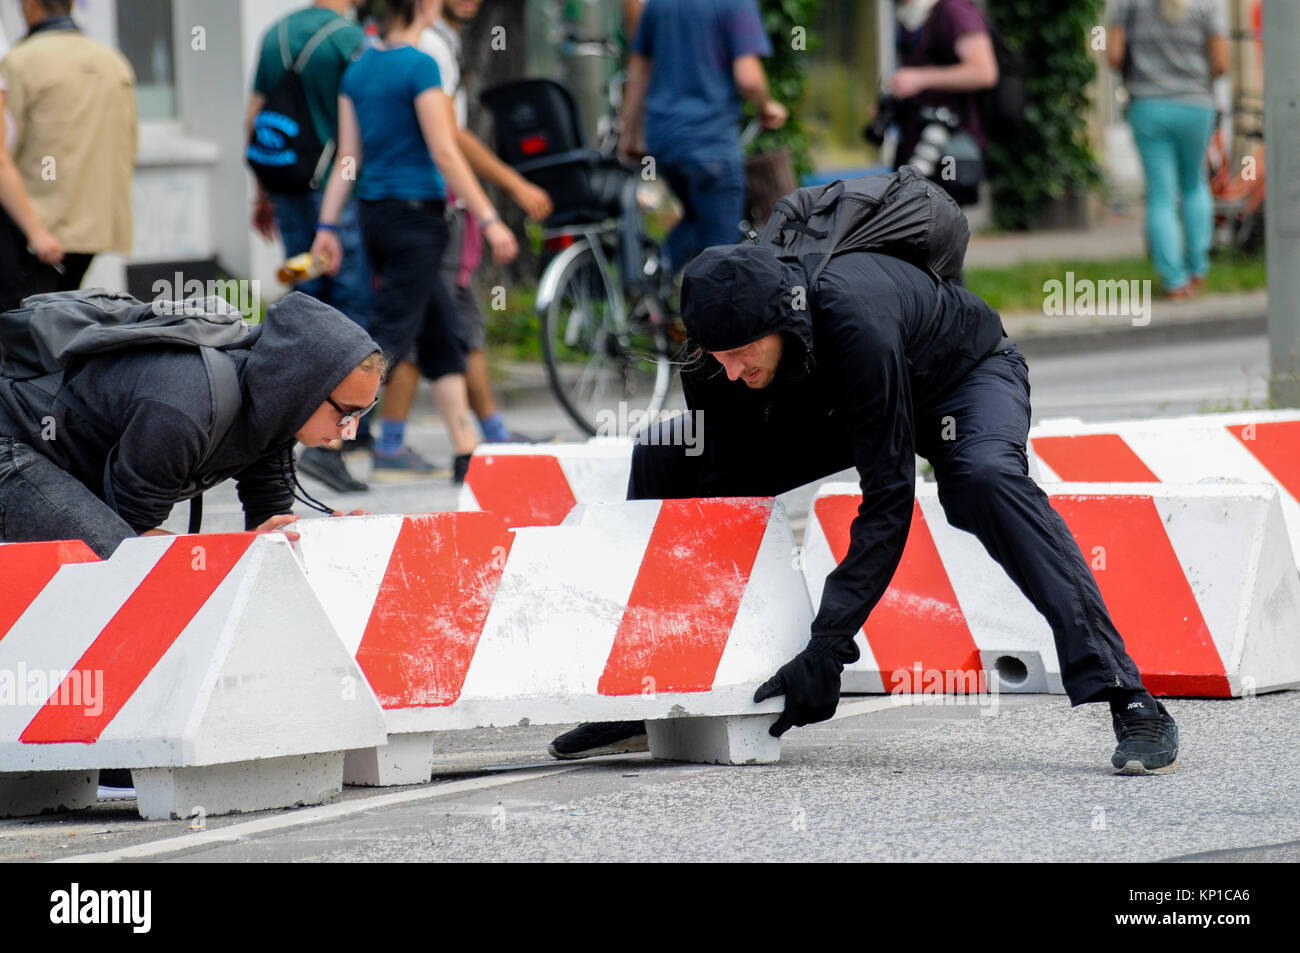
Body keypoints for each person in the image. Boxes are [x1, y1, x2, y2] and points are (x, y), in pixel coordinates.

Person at [549, 243, 1179, 776]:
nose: (732, 371)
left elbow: (888, 501)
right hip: (839, 398)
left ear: (779, 320)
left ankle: (1127, 694)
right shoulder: (722, 356)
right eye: (718, 355)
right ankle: (649, 690)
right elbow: (731, 456)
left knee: (983, 480)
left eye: (743, 352)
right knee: (668, 454)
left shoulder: (856, 323)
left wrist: (829, 645)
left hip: (959, 380)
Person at [0, 293, 382, 559]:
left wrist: (325, 540)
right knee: (118, 561)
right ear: (304, 387)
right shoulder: (184, 406)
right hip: (13, 443)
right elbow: (136, 543)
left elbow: (269, 533)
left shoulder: (276, 411)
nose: (349, 432)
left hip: (60, 459)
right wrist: (236, 553)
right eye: (346, 413)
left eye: (361, 416)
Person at [311, 0, 518, 484]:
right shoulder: (420, 65)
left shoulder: (358, 71)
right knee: (390, 333)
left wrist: (327, 225)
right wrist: (489, 218)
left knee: (439, 329)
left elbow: (348, 156)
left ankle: (467, 450)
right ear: (423, 4)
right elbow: (445, 151)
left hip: (375, 218)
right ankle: (333, 441)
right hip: (418, 219)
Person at [247, 0, 374, 494]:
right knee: (350, 311)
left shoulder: (274, 33)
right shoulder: (349, 41)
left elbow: (256, 119)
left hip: (286, 182)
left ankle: (292, 427)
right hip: (333, 190)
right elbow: (356, 130)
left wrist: (262, 193)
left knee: (305, 309)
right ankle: (337, 433)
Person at [419, 0, 553, 446]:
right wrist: (505, 195)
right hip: (436, 201)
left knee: (436, 316)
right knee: (447, 317)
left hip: (425, 202)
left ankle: (393, 441)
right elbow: (450, 138)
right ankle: (397, 443)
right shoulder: (430, 48)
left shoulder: (434, 42)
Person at [619, 0, 787, 277]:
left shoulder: (657, 6)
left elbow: (638, 72)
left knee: (697, 220)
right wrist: (767, 106)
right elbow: (749, 78)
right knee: (722, 245)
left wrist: (630, 135)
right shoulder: (735, 5)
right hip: (710, 142)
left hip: (664, 140)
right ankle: (714, 310)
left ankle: (650, 279)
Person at [0, 0, 137, 312]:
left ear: (30, 5)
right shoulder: (114, 62)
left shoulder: (19, 63)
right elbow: (129, 145)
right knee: (62, 324)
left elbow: (4, 151)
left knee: (27, 331)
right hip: (96, 226)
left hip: (35, 228)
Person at [1107, 0, 1230, 298]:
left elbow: (1113, 56)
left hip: (1148, 105)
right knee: (1194, 183)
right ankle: (1197, 266)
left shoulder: (1130, 4)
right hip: (1195, 105)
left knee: (1161, 194)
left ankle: (1174, 280)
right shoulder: (1207, 5)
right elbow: (1222, 63)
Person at [889, 0, 998, 207]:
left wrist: (920, 79)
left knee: (943, 219)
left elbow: (984, 72)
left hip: (949, 144)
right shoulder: (910, 15)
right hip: (914, 142)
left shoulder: (954, 9)